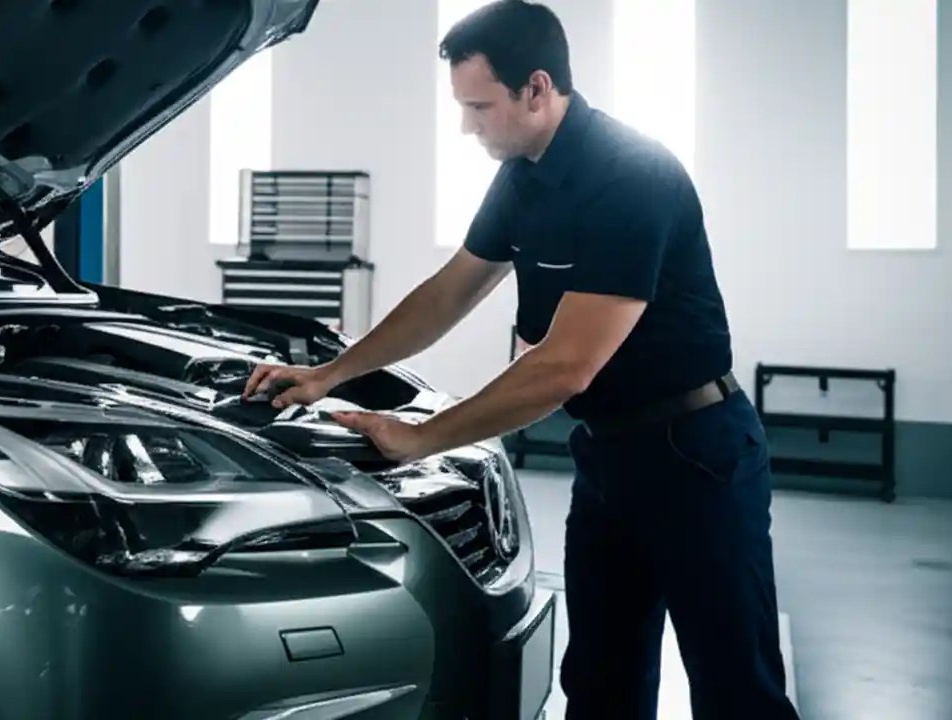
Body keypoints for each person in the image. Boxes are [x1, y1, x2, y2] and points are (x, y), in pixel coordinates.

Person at [243, 2, 800, 718]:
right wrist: (329, 374)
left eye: (478, 107)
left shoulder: (631, 176)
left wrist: (421, 437)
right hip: (607, 456)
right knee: (600, 686)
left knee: (737, 690)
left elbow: (565, 366)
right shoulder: (521, 178)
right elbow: (448, 293)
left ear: (536, 89)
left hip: (696, 457)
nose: (467, 126)